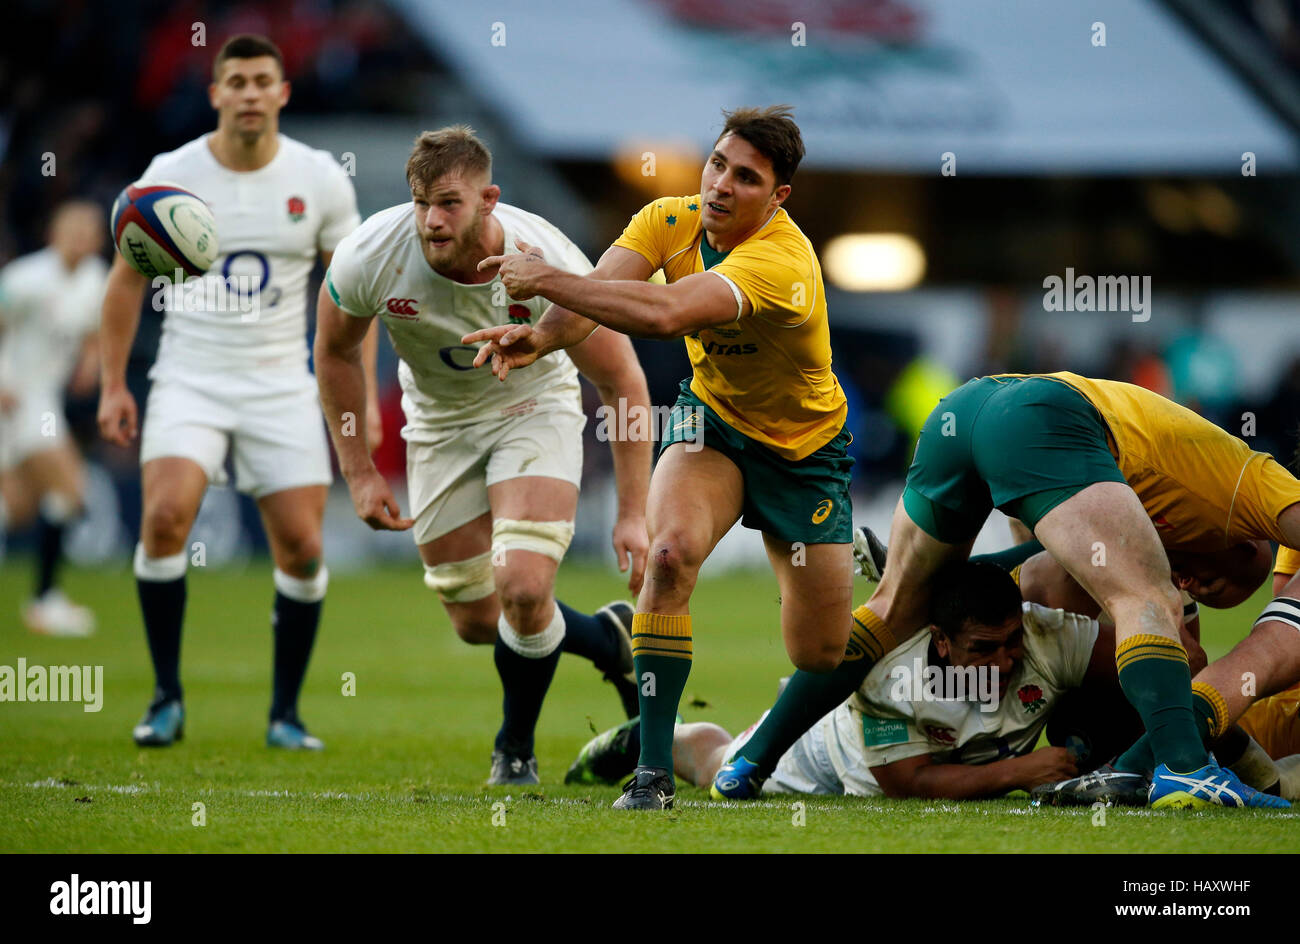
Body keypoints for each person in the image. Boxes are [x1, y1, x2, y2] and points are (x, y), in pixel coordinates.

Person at [464, 106, 856, 809]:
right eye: (716, 163)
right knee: (670, 558)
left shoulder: (781, 262)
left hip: (806, 456)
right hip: (715, 428)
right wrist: (545, 338)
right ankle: (650, 771)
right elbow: (599, 299)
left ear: (778, 196)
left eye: (746, 177)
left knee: (820, 654)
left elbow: (664, 313)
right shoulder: (668, 219)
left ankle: (731, 747)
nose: (721, 185)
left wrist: (545, 278)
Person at [710, 372, 1300, 809]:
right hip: (1047, 416)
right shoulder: (1260, 486)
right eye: (1216, 579)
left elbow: (1050, 548)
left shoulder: (1174, 496)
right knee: (1148, 601)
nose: (1194, 583)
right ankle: (1186, 772)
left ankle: (750, 760)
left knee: (894, 607)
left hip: (967, 410)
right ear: (1251, 540)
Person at [315, 126, 653, 785]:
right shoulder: (369, 255)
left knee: (524, 588)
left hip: (533, 407)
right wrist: (358, 470)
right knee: (477, 622)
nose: (431, 221)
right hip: (438, 423)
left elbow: (621, 380)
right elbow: (332, 350)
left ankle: (515, 749)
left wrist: (633, 512)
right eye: (420, 203)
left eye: (448, 203)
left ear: (489, 199)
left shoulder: (546, 260)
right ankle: (606, 640)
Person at [97, 35, 367, 750]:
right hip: (191, 375)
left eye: (262, 81)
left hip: (281, 381)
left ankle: (285, 715)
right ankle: (165, 700)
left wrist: (354, 402)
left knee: (305, 550)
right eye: (236, 81)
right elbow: (124, 284)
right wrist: (112, 384)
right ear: (215, 93)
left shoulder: (319, 179)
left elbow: (351, 297)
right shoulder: (170, 175)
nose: (249, 92)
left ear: (282, 93)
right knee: (164, 518)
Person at [569, 562, 1092, 801]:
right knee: (716, 765)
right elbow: (908, 784)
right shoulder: (890, 678)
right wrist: (1019, 770)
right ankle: (649, 737)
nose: (1004, 663)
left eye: (1011, 645)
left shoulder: (1050, 639)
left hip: (933, 751)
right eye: (983, 650)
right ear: (942, 640)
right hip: (828, 751)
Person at [0, 201, 107, 636]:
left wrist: (91, 361)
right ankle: (45, 600)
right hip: (21, 395)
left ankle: (44, 599)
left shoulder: (95, 278)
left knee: (19, 507)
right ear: (53, 233)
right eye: (73, 228)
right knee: (70, 487)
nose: (81, 237)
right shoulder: (23, 278)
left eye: (89, 230)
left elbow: (95, 331)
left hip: (44, 397)